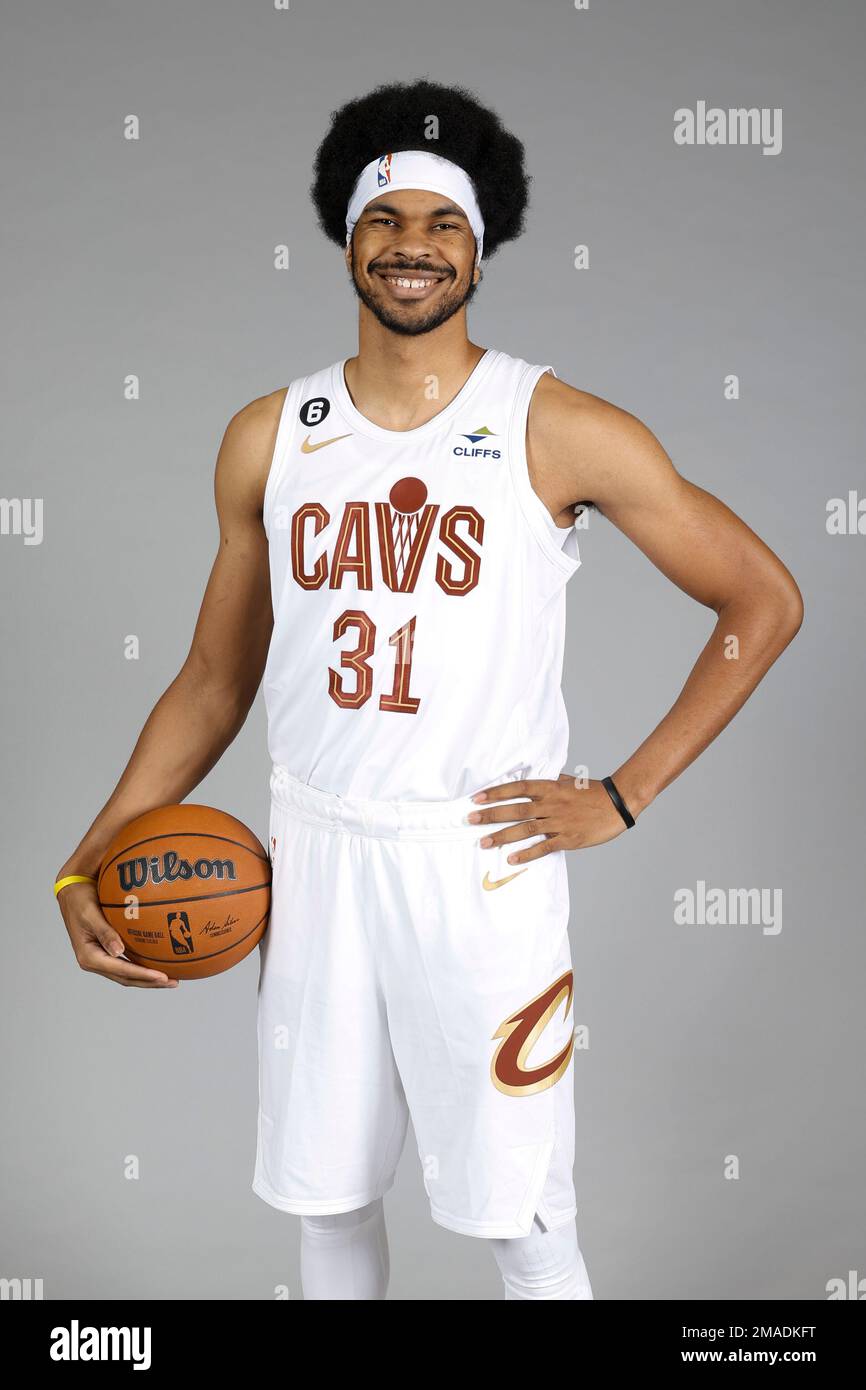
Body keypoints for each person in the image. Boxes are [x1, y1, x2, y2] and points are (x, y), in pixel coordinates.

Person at [55, 79, 803, 1300]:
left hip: (476, 862)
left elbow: (760, 599)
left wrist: (624, 793)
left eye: (441, 223)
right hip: (313, 855)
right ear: (347, 239)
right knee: (326, 1199)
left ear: (479, 245)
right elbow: (210, 679)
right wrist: (83, 859)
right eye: (386, 218)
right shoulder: (270, 432)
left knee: (520, 1211)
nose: (412, 245)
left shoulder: (553, 425)